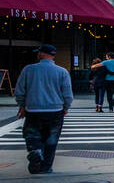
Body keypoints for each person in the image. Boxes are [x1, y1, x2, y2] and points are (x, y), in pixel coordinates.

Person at [14, 44, 72, 174]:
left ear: (41, 54)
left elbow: (19, 91)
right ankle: (46, 167)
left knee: (32, 134)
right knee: (51, 139)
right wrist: (66, 107)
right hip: (55, 110)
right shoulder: (62, 71)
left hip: (33, 110)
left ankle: (35, 150)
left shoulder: (28, 70)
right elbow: (67, 94)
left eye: (38, 52)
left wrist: (22, 105)